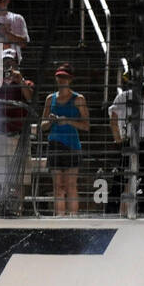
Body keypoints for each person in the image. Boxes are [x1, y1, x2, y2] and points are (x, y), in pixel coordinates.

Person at [0, 47, 33, 214]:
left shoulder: (25, 82)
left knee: (18, 178)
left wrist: (20, 80)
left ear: (17, 64)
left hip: (18, 135)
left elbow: (30, 97)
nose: (8, 67)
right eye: (5, 63)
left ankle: (17, 210)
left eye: (11, 63)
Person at [41, 65, 89, 216]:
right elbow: (43, 126)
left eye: (65, 77)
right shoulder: (50, 99)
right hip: (54, 144)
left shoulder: (78, 99)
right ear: (56, 78)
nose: (62, 80)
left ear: (70, 79)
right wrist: (50, 121)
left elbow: (86, 125)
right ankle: (59, 219)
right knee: (58, 186)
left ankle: (73, 218)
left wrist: (67, 121)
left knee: (71, 185)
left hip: (72, 145)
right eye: (60, 77)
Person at [108, 59, 144, 214]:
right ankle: (122, 214)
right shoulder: (124, 97)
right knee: (125, 181)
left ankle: (136, 212)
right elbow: (113, 119)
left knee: (142, 182)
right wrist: (119, 140)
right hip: (128, 142)